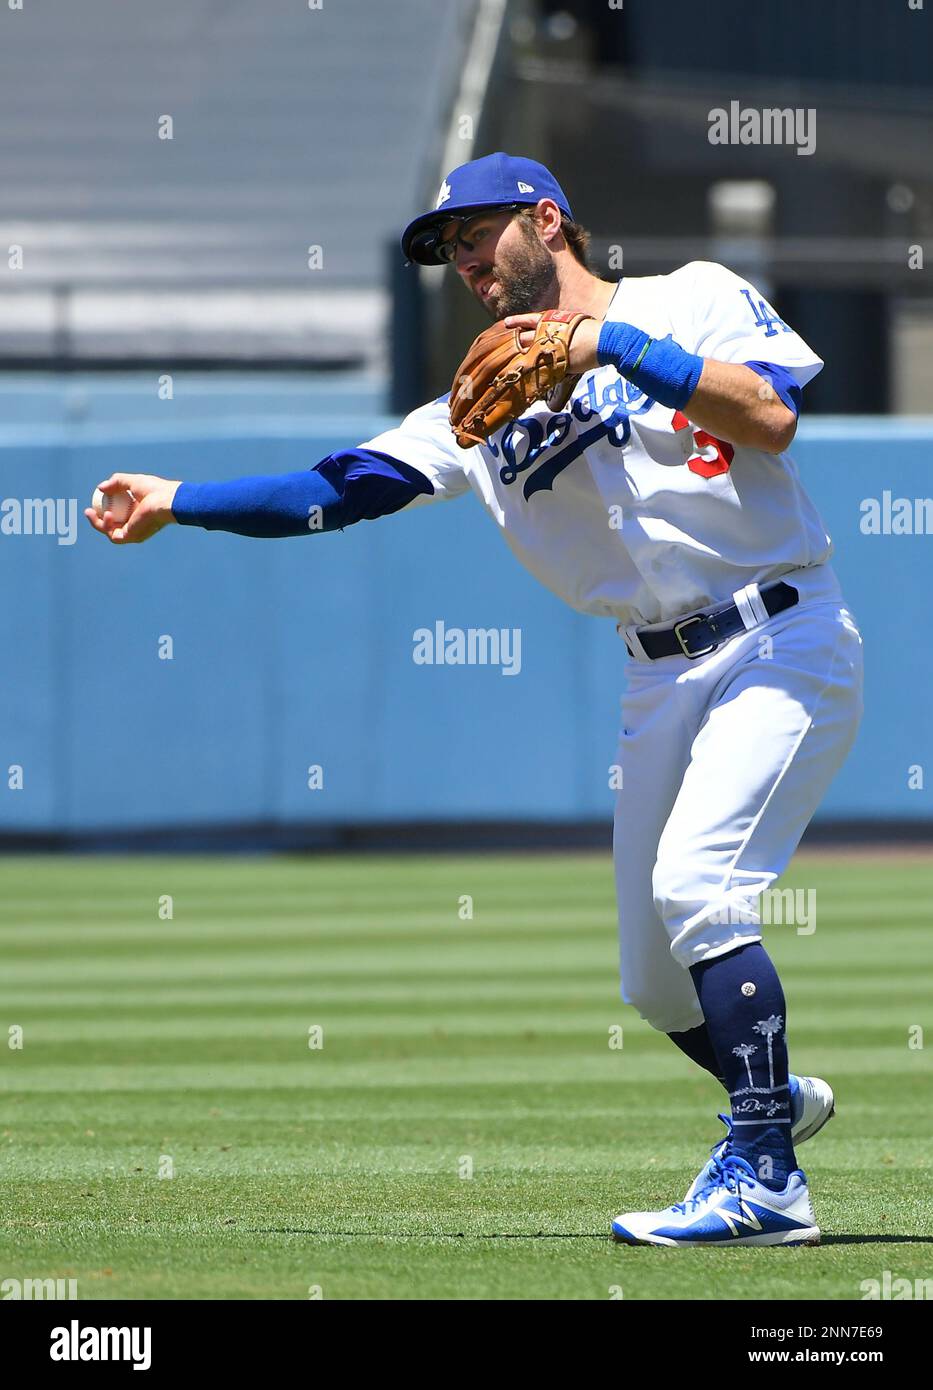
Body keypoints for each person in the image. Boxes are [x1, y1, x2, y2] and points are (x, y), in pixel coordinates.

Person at [86, 152, 863, 1247]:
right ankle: (771, 1094)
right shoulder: (480, 401)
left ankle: (769, 1177)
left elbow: (772, 418)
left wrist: (606, 344)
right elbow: (334, 489)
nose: (462, 261)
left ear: (548, 220)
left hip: (779, 632)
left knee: (699, 885)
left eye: (475, 234)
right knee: (653, 981)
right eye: (446, 251)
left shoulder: (687, 296)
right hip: (656, 672)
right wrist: (179, 500)